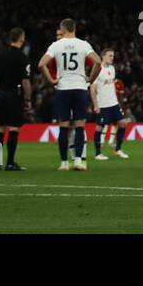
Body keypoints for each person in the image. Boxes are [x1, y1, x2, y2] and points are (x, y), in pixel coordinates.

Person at [38, 18, 101, 172]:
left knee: (64, 127)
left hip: (63, 88)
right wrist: (90, 78)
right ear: (74, 29)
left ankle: (64, 163)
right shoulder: (83, 44)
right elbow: (98, 62)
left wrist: (52, 80)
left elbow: (41, 64)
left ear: (63, 29)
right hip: (79, 88)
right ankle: (78, 161)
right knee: (80, 126)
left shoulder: (56, 45)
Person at [0, 27, 31, 172]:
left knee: (0, 127)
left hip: (1, 94)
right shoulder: (22, 57)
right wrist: (28, 100)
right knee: (14, 128)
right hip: (15, 94)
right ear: (21, 39)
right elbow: (26, 82)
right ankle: (10, 163)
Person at [91, 49, 129, 160]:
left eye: (113, 56)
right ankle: (98, 153)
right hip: (103, 104)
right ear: (103, 56)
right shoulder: (97, 69)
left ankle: (118, 149)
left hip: (113, 103)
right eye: (110, 56)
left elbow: (111, 85)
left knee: (123, 123)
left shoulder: (112, 69)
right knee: (99, 127)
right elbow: (92, 89)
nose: (112, 58)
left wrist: (116, 100)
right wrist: (96, 105)